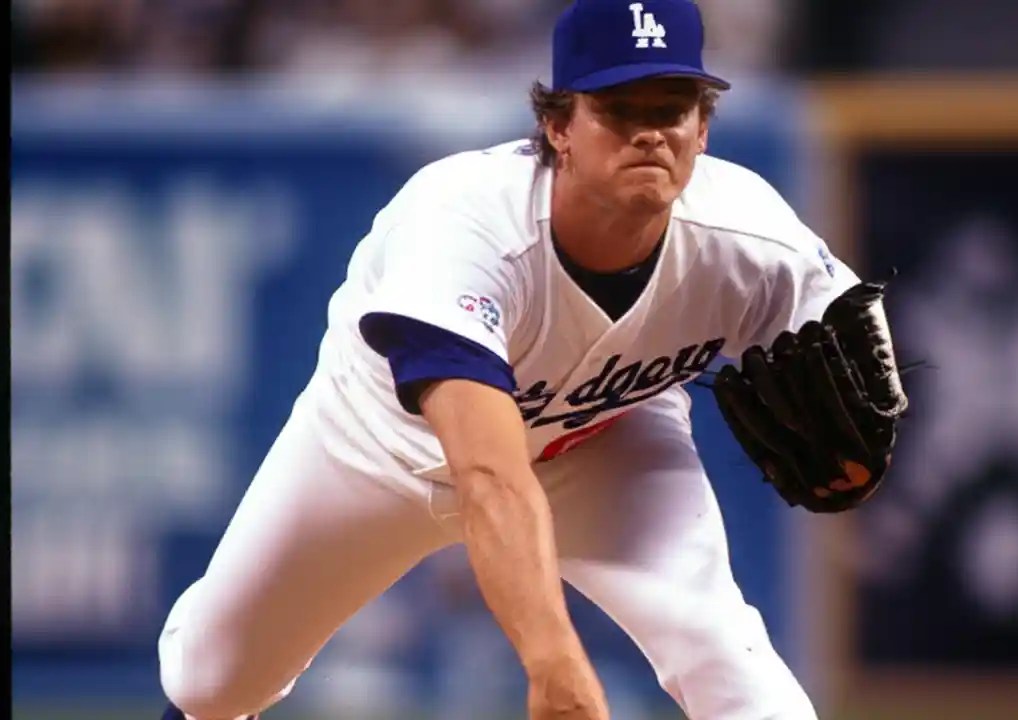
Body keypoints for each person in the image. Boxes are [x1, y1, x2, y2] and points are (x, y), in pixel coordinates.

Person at [157, 1, 874, 718]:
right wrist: (552, 657)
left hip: (597, 442)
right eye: (620, 109)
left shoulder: (750, 236)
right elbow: (490, 479)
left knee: (722, 652)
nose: (651, 131)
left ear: (704, 128)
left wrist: (871, 439)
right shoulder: (463, 226)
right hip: (379, 448)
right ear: (558, 126)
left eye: (674, 107)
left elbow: (849, 326)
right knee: (211, 681)